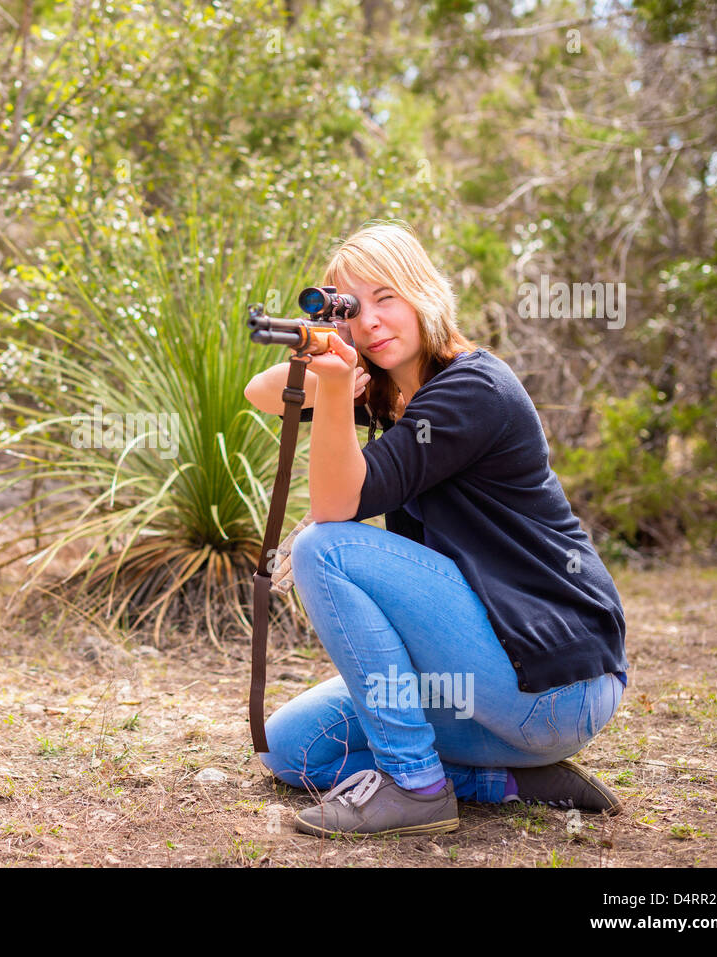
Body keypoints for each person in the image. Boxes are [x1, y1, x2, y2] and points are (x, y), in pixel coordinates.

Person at [242, 220, 629, 838]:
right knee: (289, 749)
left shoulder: (473, 390)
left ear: (424, 291)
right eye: (353, 307)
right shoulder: (389, 390)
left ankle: (416, 785)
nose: (369, 322)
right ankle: (505, 782)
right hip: (490, 694)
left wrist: (337, 387)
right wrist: (320, 353)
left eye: (385, 298)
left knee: (325, 548)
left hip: (555, 685)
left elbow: (337, 506)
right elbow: (262, 391)